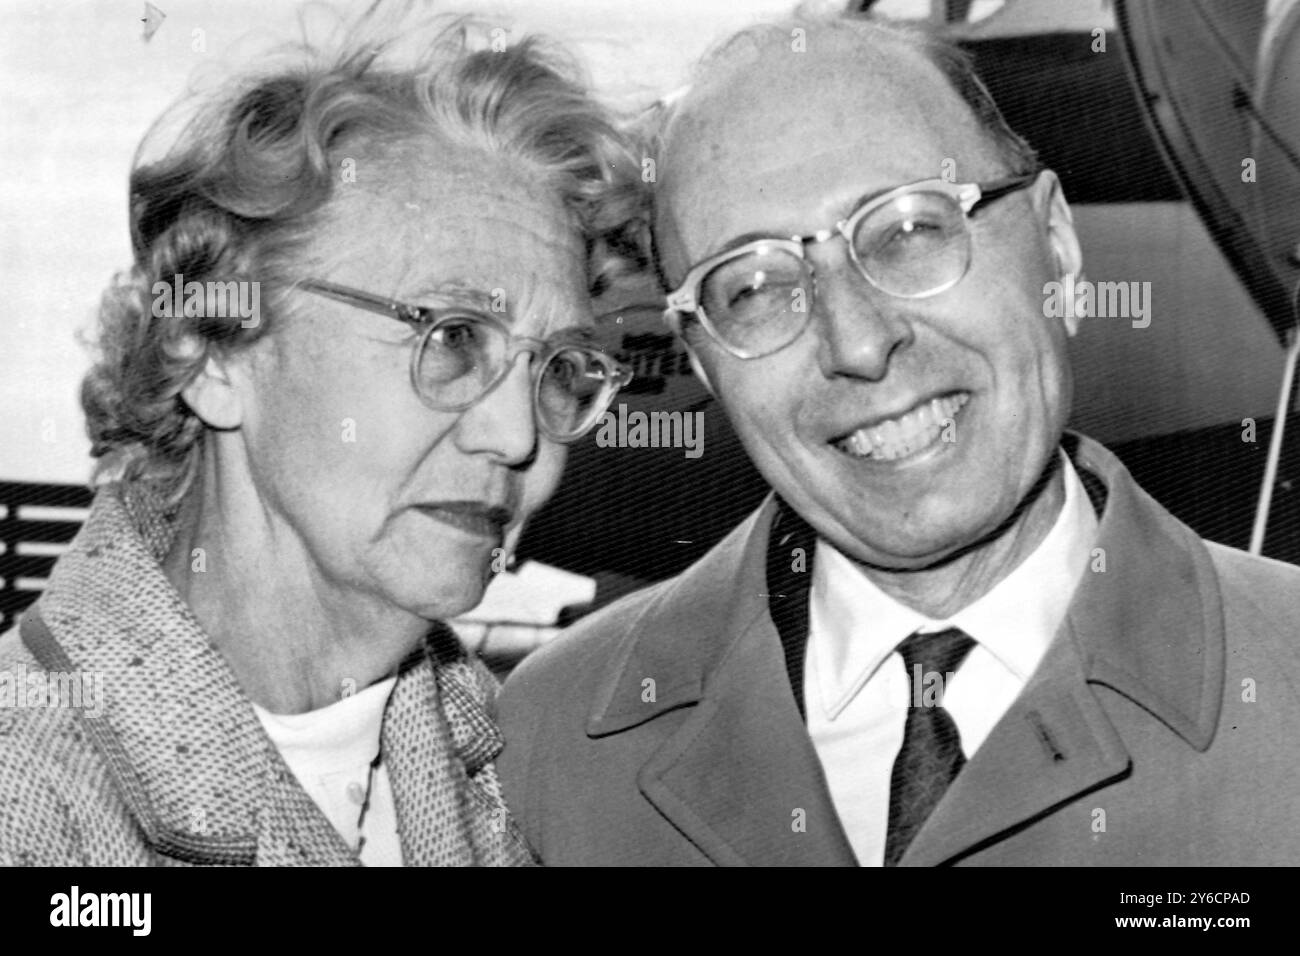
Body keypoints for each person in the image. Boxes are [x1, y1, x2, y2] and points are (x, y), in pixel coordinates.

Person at [496, 12, 1300, 865]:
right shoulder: (542, 749)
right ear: (703, 352)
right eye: (756, 287)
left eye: (912, 231)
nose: (857, 344)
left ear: (1056, 244)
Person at [0, 9, 638, 866]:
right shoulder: (29, 796)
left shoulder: (508, 764)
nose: (517, 435)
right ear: (213, 353)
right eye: (450, 337)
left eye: (557, 366)